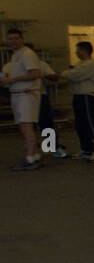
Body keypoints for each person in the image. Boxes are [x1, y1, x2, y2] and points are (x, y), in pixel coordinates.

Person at [1, 28, 44, 170]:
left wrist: (12, 79)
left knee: (27, 126)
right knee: (24, 127)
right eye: (10, 39)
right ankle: (34, 154)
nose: (13, 41)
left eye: (15, 38)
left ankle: (30, 157)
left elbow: (36, 73)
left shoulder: (27, 54)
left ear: (22, 39)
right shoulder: (16, 56)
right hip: (18, 93)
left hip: (27, 94)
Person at [63, 41, 94, 159]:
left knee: (90, 123)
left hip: (87, 96)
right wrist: (69, 73)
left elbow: (75, 75)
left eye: (78, 50)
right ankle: (86, 149)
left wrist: (66, 73)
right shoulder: (80, 64)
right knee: (80, 124)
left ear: (85, 51)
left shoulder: (90, 64)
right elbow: (72, 75)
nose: (76, 53)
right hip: (78, 96)